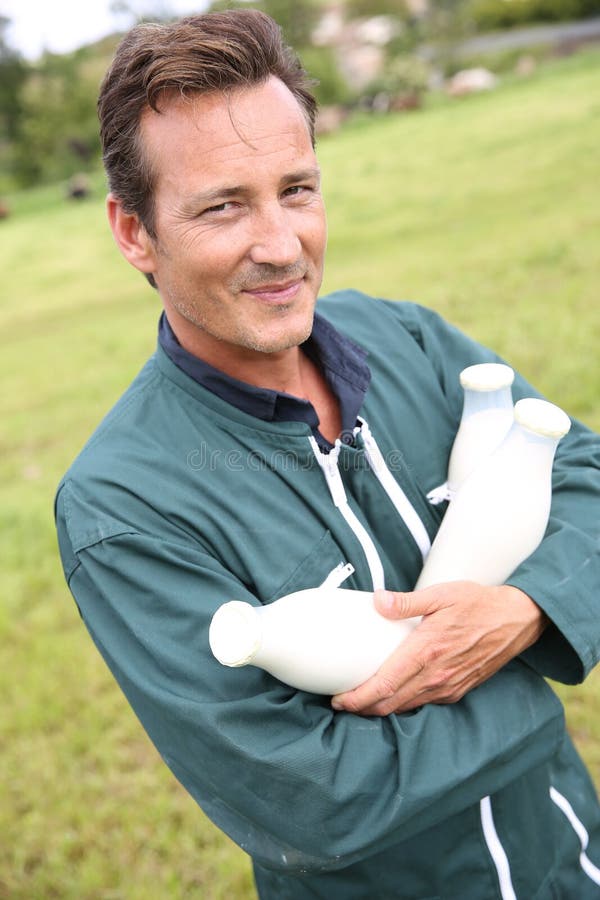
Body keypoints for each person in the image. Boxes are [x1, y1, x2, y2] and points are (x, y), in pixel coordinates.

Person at [54, 10, 600, 899]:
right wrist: (523, 664)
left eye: (297, 190)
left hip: (573, 859)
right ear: (133, 232)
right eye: (223, 205)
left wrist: (530, 609)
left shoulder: (411, 339)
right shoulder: (122, 507)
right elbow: (310, 803)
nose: (281, 246)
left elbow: (586, 472)